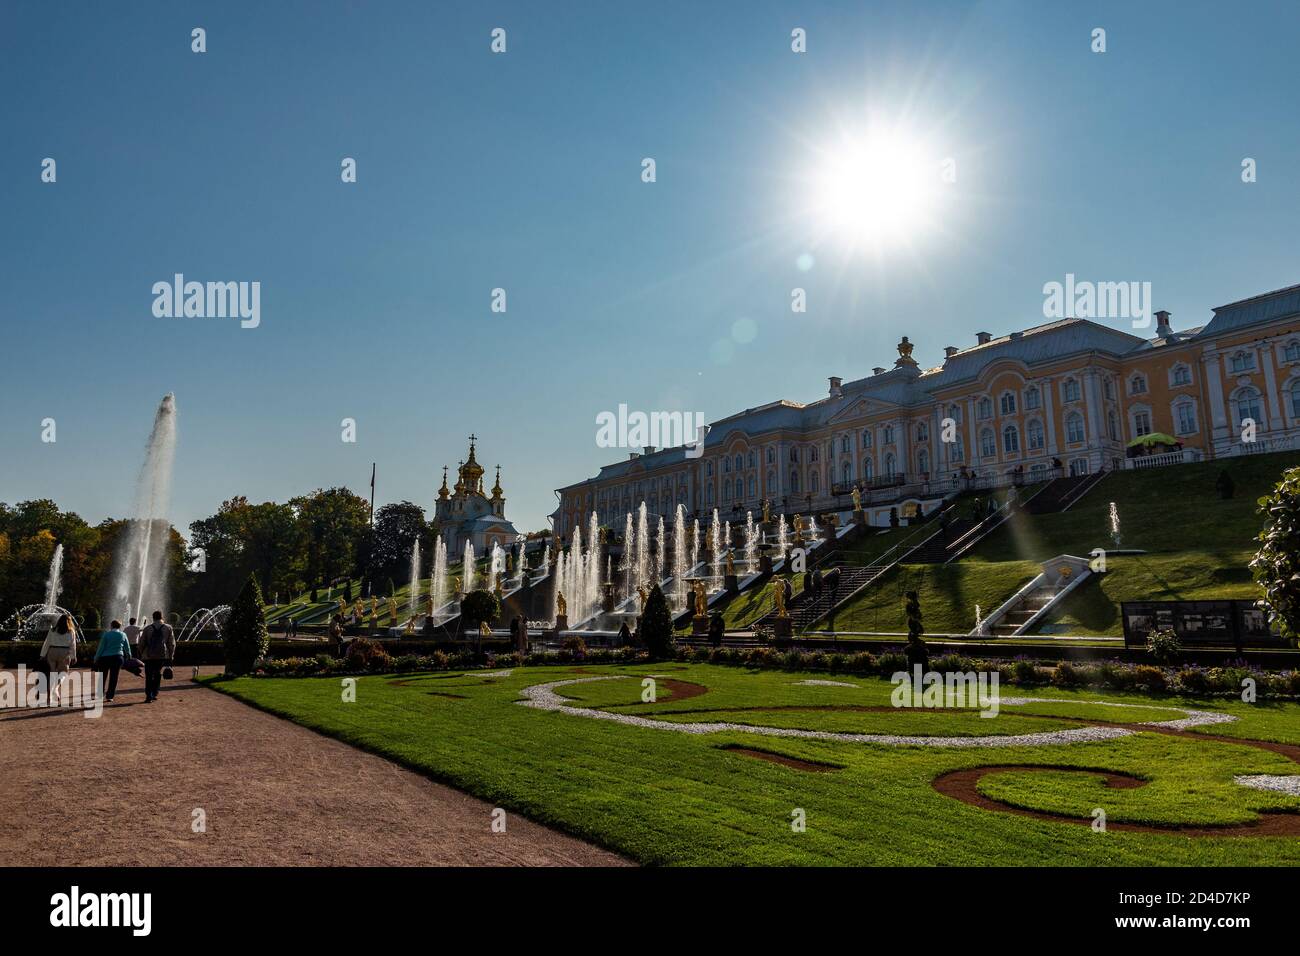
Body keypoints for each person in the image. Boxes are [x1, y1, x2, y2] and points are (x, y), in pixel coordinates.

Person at [39, 613, 77, 704]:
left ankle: (49, 697)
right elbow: (73, 645)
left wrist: (42, 655)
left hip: (52, 651)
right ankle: (55, 689)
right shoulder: (71, 631)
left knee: (52, 674)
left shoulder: (52, 630)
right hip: (64, 652)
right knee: (63, 673)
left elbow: (47, 643)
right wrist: (73, 656)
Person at [139, 610, 175, 704]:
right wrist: (171, 656)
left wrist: (142, 653)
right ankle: (155, 693)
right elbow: (171, 644)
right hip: (162, 655)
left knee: (149, 675)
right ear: (162, 617)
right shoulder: (168, 628)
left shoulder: (147, 628)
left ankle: (148, 696)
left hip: (149, 656)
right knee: (157, 673)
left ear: (153, 617)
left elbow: (141, 643)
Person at [94, 619, 132, 702]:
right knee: (114, 677)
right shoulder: (123, 634)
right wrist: (129, 656)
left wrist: (96, 658)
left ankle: (100, 695)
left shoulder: (106, 634)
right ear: (119, 626)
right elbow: (127, 647)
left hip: (105, 658)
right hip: (118, 657)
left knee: (102, 677)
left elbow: (101, 647)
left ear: (111, 626)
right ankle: (110, 696)